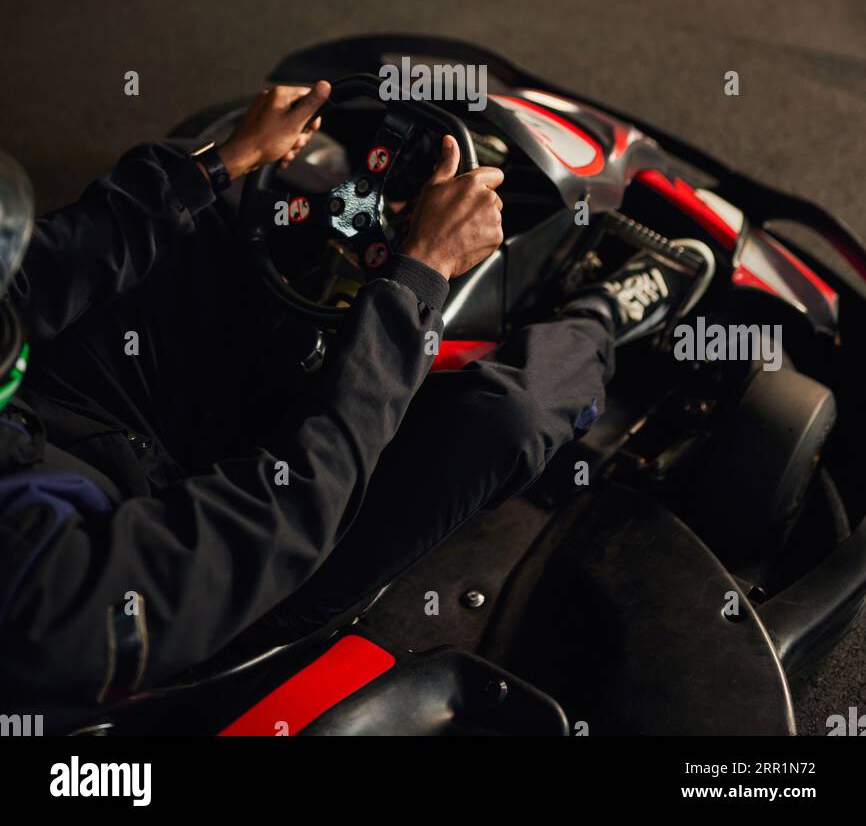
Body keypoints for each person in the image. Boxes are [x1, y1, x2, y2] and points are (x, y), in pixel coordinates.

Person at [0, 82, 713, 706]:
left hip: (70, 428)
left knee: (203, 222)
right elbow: (300, 496)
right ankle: (602, 318)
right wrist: (417, 278)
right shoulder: (38, 600)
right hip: (217, 590)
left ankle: (337, 316)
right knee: (505, 418)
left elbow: (28, 281)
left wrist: (222, 161)